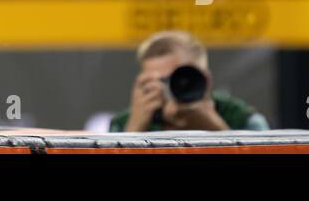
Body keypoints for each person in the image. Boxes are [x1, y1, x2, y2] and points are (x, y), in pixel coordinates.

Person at [109, 30, 268, 132]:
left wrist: (216, 130)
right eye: (161, 81)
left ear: (204, 79)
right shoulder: (124, 124)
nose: (171, 89)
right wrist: (134, 132)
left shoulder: (240, 119)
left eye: (180, 79)